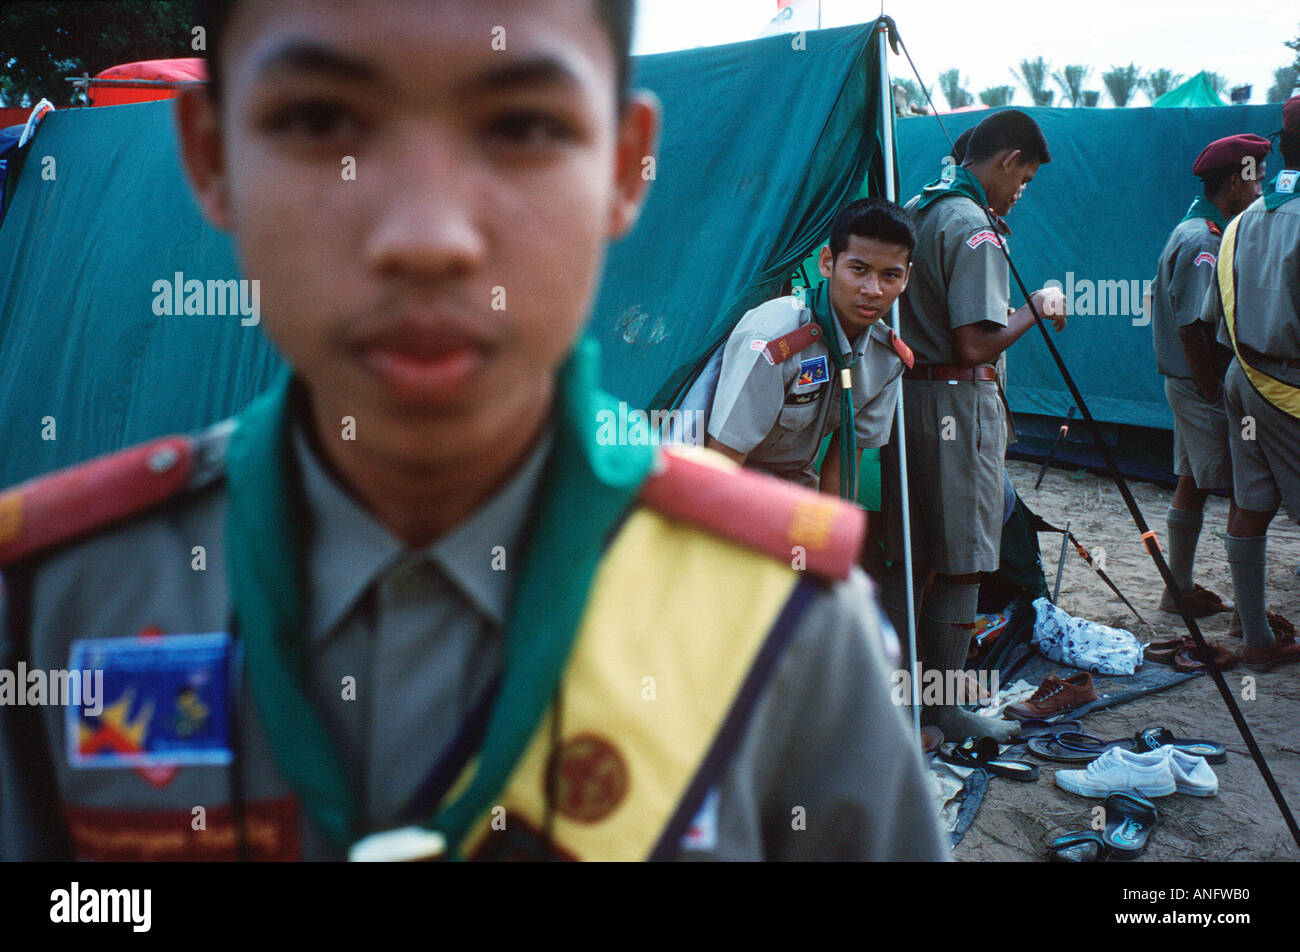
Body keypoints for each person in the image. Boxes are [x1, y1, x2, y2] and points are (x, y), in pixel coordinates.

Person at [0, 0, 947, 861]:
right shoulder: (59, 609)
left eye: (520, 129)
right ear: (213, 162)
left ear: (623, 169)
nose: (427, 234)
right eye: (325, 124)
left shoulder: (787, 633)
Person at [880, 110, 1067, 743]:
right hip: (956, 405)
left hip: (906, 398)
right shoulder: (974, 226)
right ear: (1009, 158)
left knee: (915, 555)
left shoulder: (920, 207)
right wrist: (1035, 307)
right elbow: (972, 344)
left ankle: (908, 695)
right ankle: (946, 709)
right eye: (1028, 177)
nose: (1022, 191)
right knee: (963, 560)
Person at [704, 197, 915, 504]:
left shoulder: (886, 357)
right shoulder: (774, 339)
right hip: (732, 484)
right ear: (827, 262)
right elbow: (723, 460)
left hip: (795, 490)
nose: (873, 290)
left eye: (890, 276)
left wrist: (833, 543)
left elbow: (845, 464)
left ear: (906, 278)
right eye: (859, 269)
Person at [1148, 133, 1269, 622]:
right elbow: (1194, 326)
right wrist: (1213, 391)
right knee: (1249, 491)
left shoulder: (1197, 227)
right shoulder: (1204, 238)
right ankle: (1249, 615)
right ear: (1237, 179)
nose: (1261, 188)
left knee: (1192, 480)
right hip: (1201, 386)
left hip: (1187, 384)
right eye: (1257, 178)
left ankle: (1177, 589)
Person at [1202, 95, 1300, 672]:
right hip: (1291, 386)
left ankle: (1257, 634)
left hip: (1244, 376)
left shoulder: (1239, 224)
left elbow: (1217, 319)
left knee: (1251, 504)